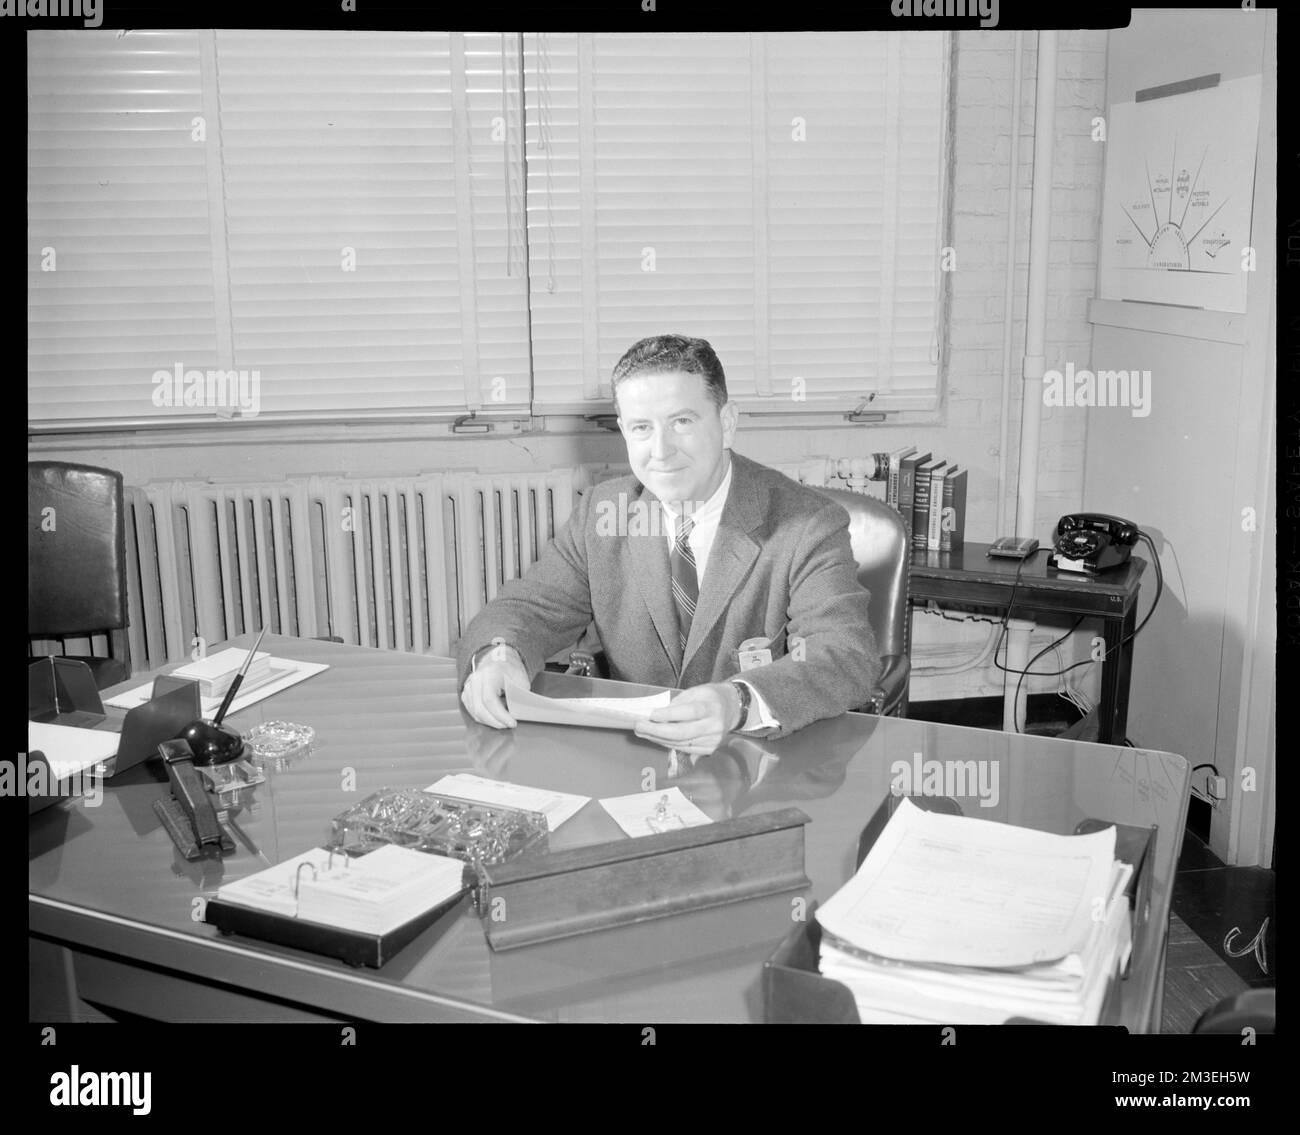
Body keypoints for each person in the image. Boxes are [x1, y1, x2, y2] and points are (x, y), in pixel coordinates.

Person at [458, 334, 881, 754]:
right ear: (624, 431)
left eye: (682, 421)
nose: (660, 451)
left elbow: (842, 653)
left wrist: (738, 701)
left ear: (727, 422)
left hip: (759, 760)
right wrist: (501, 657)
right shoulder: (604, 513)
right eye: (642, 428)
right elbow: (528, 609)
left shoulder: (807, 523)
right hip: (637, 756)